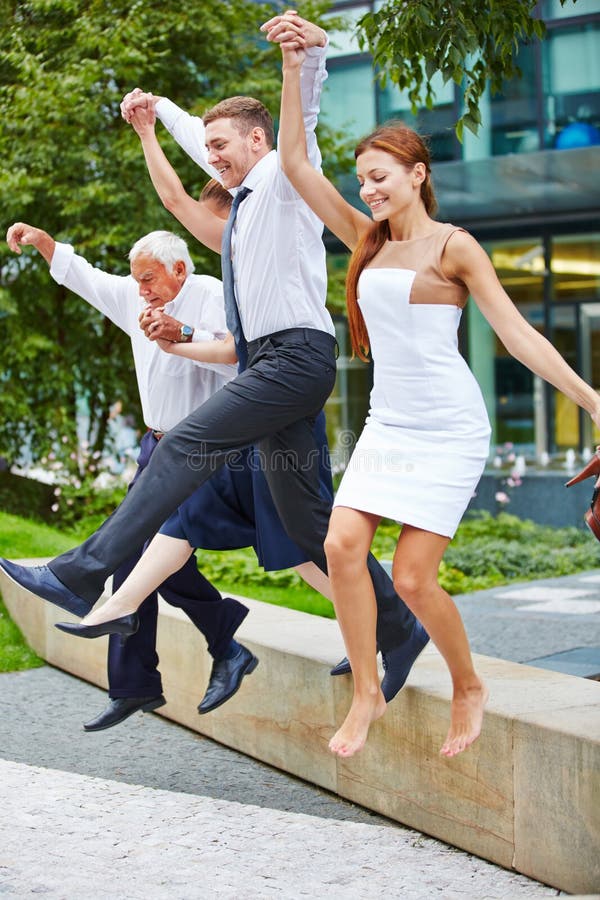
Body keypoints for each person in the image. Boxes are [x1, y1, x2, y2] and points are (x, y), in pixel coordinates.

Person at [0, 12, 428, 706]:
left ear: (259, 140)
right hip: (270, 362)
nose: (214, 157)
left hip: (293, 356)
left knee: (186, 444)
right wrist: (153, 116)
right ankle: (399, 627)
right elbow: (176, 191)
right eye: (209, 147)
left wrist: (307, 55)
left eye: (223, 145)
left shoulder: (288, 178)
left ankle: (83, 572)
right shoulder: (245, 206)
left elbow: (303, 121)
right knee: (305, 524)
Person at [274, 33, 600, 760]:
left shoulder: (455, 246)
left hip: (449, 426)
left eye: (381, 175)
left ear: (418, 175)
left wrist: (591, 397)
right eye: (362, 178)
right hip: (389, 422)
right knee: (341, 544)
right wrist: (296, 67)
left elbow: (516, 336)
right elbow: (296, 163)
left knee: (416, 579)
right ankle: (366, 688)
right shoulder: (366, 242)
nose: (369, 188)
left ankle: (468, 683)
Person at [2, 222, 329, 729]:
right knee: (136, 558)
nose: (141, 289)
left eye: (149, 279)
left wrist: (183, 336)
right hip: (154, 448)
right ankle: (159, 674)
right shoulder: (136, 299)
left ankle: (171, 662)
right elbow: (86, 278)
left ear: (180, 269)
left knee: (148, 556)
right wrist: (45, 245)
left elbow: (245, 364)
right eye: (136, 280)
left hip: (202, 455)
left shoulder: (216, 298)